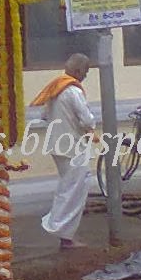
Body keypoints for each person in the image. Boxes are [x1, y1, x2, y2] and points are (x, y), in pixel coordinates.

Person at [30, 53, 97, 249]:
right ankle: (61, 231)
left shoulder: (55, 88)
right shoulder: (73, 92)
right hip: (73, 147)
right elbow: (87, 120)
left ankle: (62, 231)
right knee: (74, 191)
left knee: (68, 187)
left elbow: (44, 115)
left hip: (57, 146)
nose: (85, 76)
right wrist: (89, 126)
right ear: (77, 71)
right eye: (85, 71)